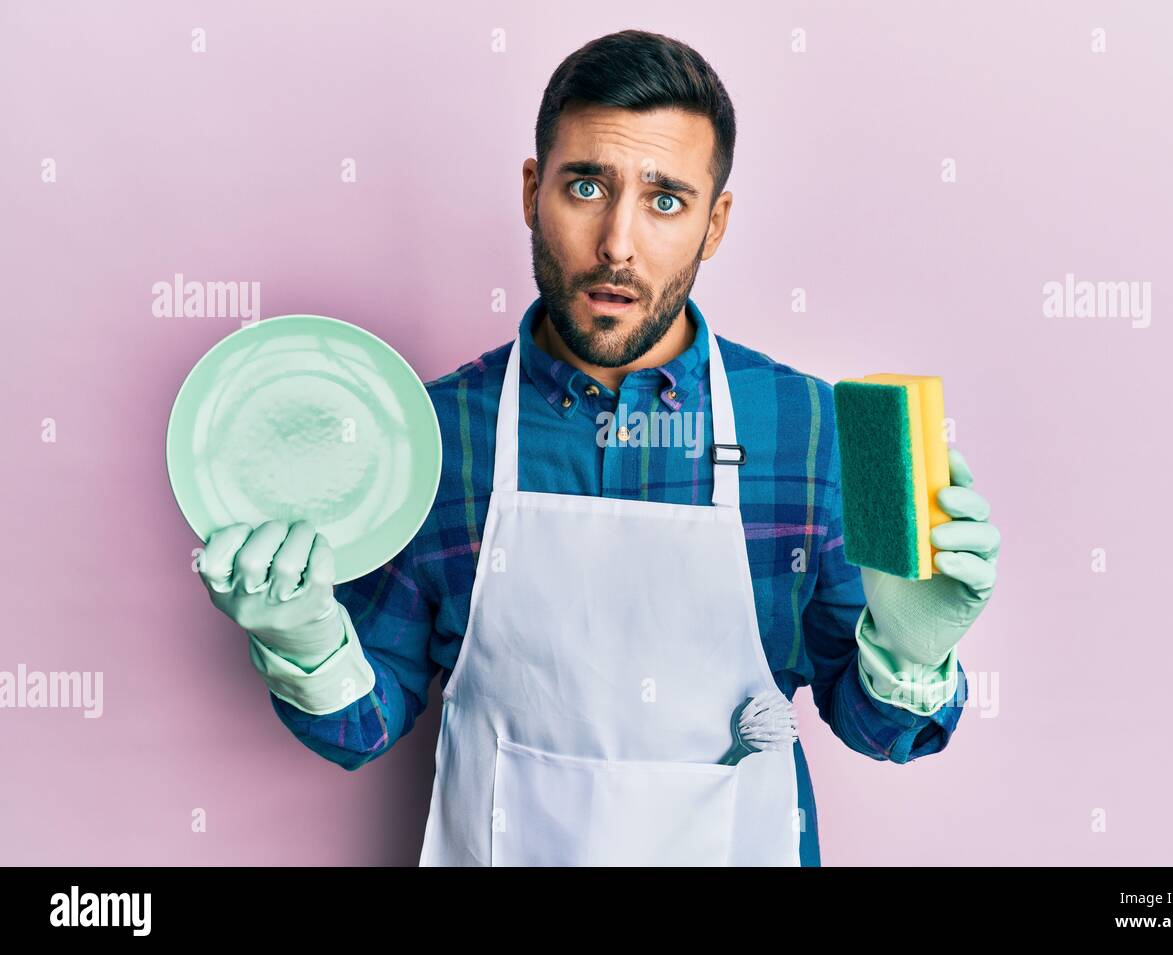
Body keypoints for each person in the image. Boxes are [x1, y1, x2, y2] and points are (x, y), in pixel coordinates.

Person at [197, 29, 1000, 867]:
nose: (618, 242)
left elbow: (879, 733)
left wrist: (914, 653)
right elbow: (362, 731)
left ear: (714, 224)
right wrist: (302, 641)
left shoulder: (809, 430)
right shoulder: (435, 436)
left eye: (665, 201)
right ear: (531, 190)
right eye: (586, 185)